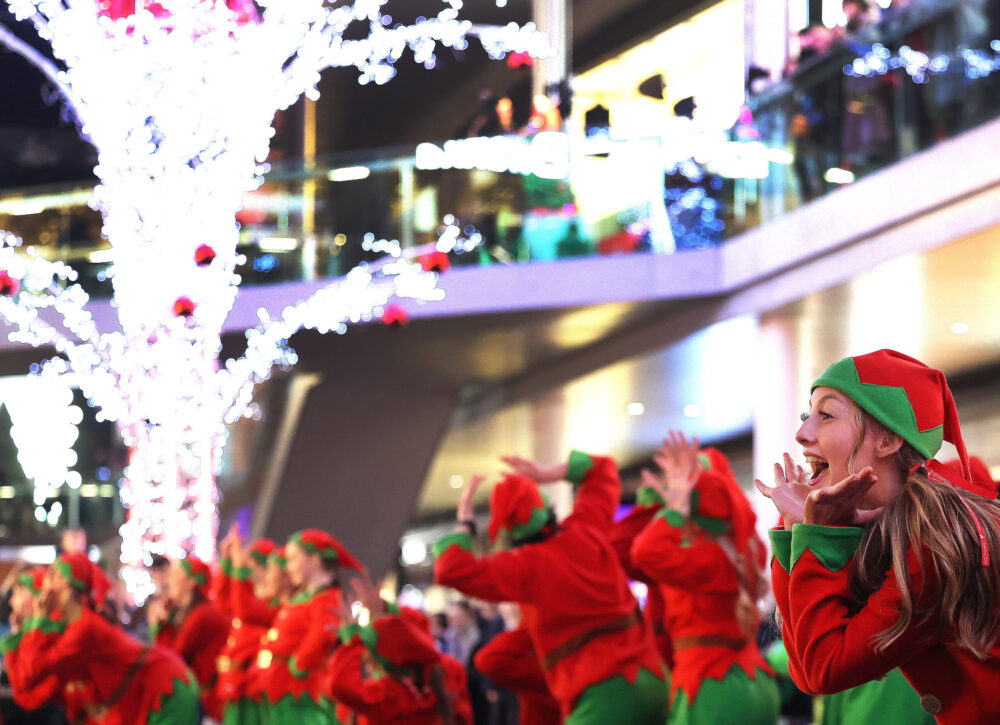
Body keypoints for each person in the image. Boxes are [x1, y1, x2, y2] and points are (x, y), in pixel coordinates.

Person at [756, 349, 1000, 724]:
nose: (802, 433)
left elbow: (824, 670)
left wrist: (808, 531)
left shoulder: (934, 538)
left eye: (825, 415)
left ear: (887, 440)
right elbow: (807, 670)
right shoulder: (893, 525)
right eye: (809, 415)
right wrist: (796, 529)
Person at [434, 457, 669, 724]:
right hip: (655, 678)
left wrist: (465, 523)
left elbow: (451, 570)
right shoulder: (584, 528)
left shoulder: (524, 565)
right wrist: (546, 473)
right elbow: (602, 470)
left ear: (509, 531)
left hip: (603, 695)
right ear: (545, 507)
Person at [631, 433, 779, 724]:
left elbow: (644, 553)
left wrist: (677, 508)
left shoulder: (703, 558)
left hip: (711, 689)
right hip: (755, 682)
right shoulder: (745, 548)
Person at [10, 552, 199, 724]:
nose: (43, 584)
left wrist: (38, 621)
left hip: (166, 689)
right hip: (146, 690)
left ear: (66, 582)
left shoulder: (84, 628)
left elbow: (31, 674)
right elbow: (26, 685)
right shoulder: (71, 625)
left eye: (50, 576)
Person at [258, 529, 361, 725]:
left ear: (314, 559)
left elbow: (322, 637)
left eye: (294, 559)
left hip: (299, 692)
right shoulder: (308, 598)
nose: (289, 568)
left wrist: (297, 666)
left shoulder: (327, 598)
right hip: (282, 689)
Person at [154, 556, 231, 720]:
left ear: (191, 583)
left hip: (207, 702)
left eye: (176, 575)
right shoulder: (189, 612)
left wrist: (164, 623)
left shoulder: (202, 615)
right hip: (201, 696)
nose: (170, 580)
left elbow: (173, 657)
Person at [215, 530, 277, 725]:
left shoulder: (274, 602)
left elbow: (245, 611)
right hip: (236, 681)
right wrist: (226, 563)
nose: (245, 569)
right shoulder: (249, 593)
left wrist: (238, 572)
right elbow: (223, 602)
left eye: (250, 564)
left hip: (253, 684)